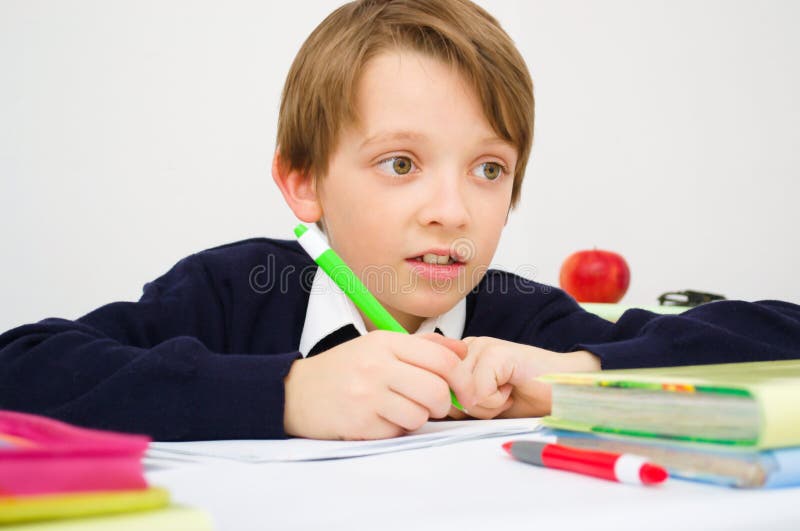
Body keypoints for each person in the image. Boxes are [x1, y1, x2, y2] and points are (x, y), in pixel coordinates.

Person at [1, 0, 799, 441]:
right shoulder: (230, 289)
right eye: (401, 163)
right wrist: (284, 392)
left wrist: (579, 370)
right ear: (302, 182)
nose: (452, 209)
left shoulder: (523, 318)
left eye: (489, 170)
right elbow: (22, 364)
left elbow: (779, 334)